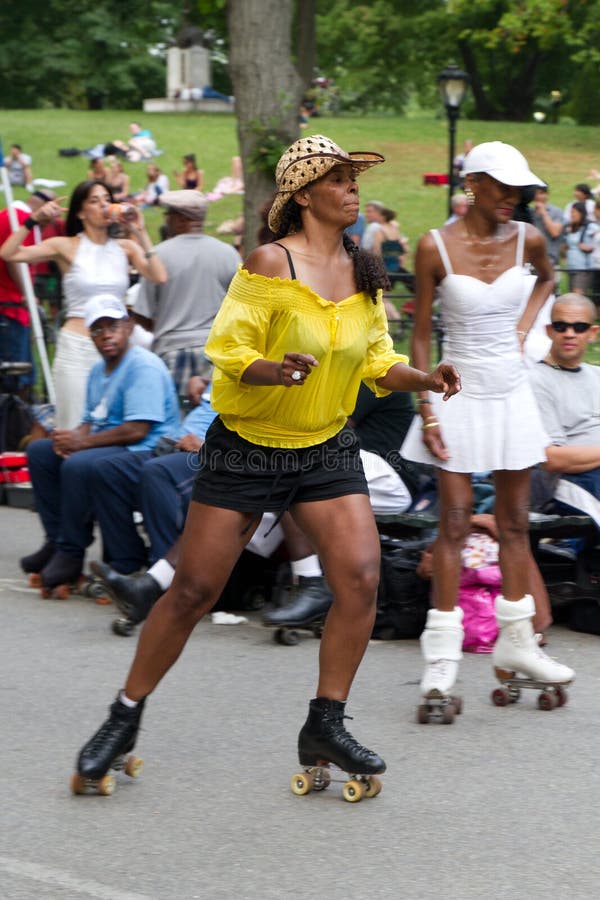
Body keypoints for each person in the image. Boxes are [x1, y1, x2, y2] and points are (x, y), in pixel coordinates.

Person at [72, 133, 460, 792]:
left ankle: (325, 721)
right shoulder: (271, 262)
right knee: (193, 591)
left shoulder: (363, 268)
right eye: (337, 179)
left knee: (361, 578)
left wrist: (422, 378)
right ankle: (123, 715)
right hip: (248, 444)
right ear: (304, 194)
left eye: (352, 178)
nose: (351, 189)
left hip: (324, 447)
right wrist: (273, 370)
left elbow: (374, 358)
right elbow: (230, 347)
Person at [400, 140, 575, 716]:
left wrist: (526, 327)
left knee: (516, 522)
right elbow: (420, 334)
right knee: (452, 522)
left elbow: (548, 281)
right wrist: (426, 407)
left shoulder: (530, 239)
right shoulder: (434, 246)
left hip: (511, 391)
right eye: (502, 187)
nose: (513, 198)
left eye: (519, 190)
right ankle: (441, 661)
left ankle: (520, 644)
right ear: (473, 183)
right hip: (455, 390)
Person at [21, 296, 180, 592]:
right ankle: (56, 541)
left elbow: (137, 429)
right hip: (114, 445)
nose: (106, 334)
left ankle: (72, 551)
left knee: (81, 464)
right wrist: (69, 440)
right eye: (97, 329)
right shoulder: (98, 371)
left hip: (149, 449)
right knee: (41, 452)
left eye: (113, 326)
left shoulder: (143, 365)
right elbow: (90, 420)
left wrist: (81, 444)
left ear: (129, 327)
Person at [0, 180, 167, 428]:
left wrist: (140, 232)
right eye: (94, 200)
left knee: (112, 425)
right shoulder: (65, 246)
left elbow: (159, 276)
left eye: (107, 199)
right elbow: (9, 253)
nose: (103, 205)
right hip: (77, 346)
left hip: (116, 349)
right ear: (80, 212)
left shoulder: (126, 247)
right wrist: (33, 220)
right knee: (73, 425)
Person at [133, 190, 240, 399]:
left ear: (181, 219)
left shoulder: (158, 255)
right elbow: (242, 308)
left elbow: (141, 314)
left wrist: (166, 325)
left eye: (169, 215)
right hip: (216, 351)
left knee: (175, 424)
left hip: (170, 351)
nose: (167, 221)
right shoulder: (228, 253)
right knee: (211, 421)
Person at [528, 293, 600, 527]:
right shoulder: (535, 380)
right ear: (549, 331)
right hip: (567, 482)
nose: (569, 333)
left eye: (579, 327)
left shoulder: (596, 375)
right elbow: (552, 459)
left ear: (592, 333)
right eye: (561, 326)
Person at [562, 200, 597, 295]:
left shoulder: (590, 226)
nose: (572, 214)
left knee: (578, 297)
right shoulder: (570, 228)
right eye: (571, 212)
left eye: (574, 212)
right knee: (572, 296)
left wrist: (590, 247)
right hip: (570, 267)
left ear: (581, 213)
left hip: (583, 268)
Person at [531, 184, 564, 281]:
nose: (538, 196)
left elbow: (555, 232)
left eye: (541, 193)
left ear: (547, 195)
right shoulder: (529, 212)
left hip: (550, 260)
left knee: (551, 290)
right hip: (531, 261)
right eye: (535, 194)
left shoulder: (556, 211)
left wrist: (544, 213)